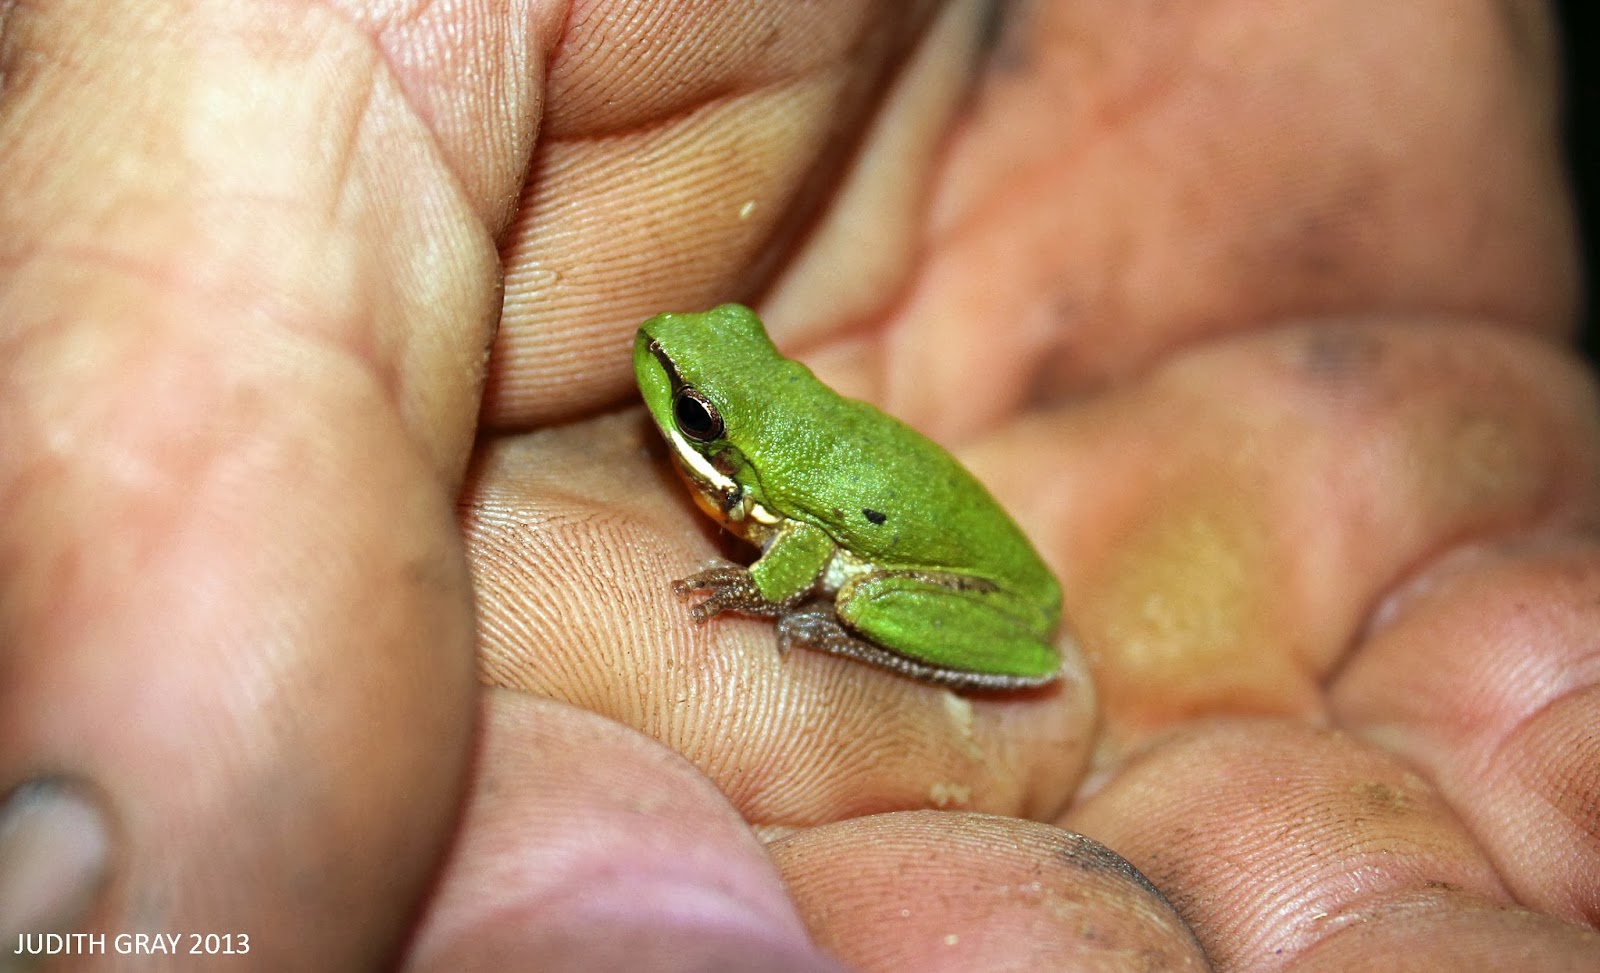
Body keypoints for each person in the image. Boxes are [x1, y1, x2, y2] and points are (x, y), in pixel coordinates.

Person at [3, 2, 1596, 969]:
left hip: (960, 583)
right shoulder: (727, 377)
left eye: (697, 405)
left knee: (834, 572)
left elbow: (791, 550)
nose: (667, 375)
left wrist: (785, 586)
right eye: (705, 392)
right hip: (932, 501)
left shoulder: (770, 497)